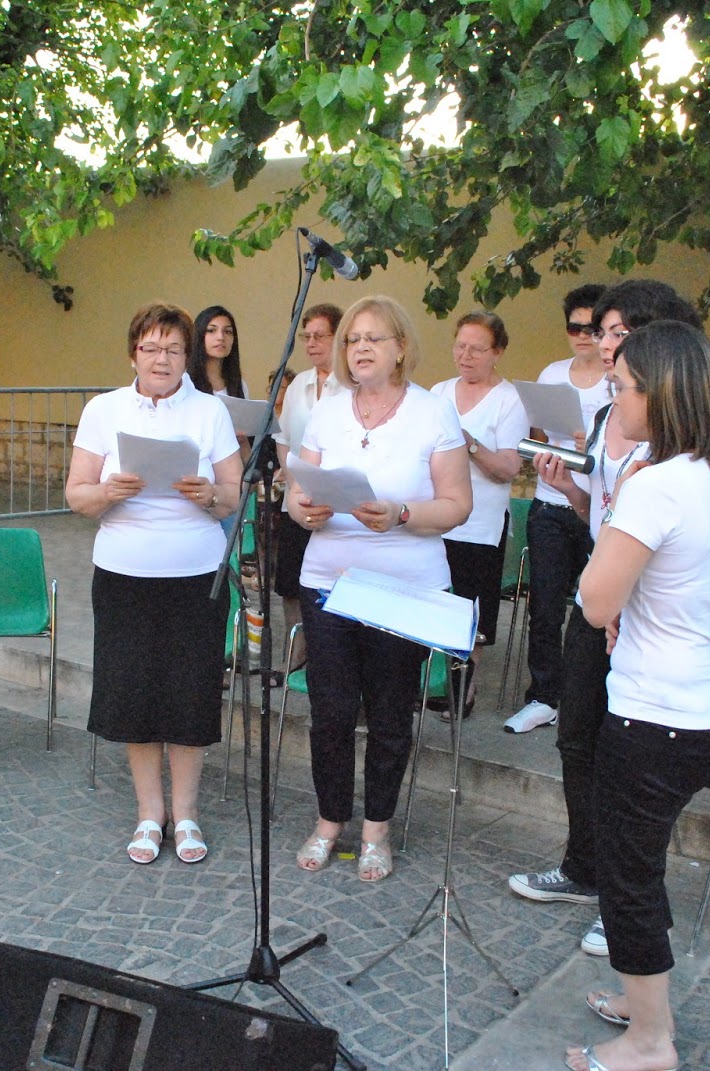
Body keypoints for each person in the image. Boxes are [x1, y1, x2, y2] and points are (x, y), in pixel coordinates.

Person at [566, 319, 710, 1071]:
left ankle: (649, 1041)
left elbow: (593, 601)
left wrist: (626, 593)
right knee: (640, 863)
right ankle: (645, 1002)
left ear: (662, 393)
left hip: (655, 717)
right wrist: (654, 602)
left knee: (628, 876)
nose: (613, 400)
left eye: (620, 387)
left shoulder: (654, 483)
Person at [508, 280, 702, 963]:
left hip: (647, 610)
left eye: (620, 332)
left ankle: (634, 904)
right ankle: (584, 867)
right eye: (604, 331)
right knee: (577, 736)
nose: (607, 343)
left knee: (633, 762)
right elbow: (606, 508)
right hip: (602, 595)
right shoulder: (607, 413)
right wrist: (567, 485)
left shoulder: (678, 431)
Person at [286, 295, 471, 882]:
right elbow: (297, 492)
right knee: (330, 713)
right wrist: (304, 510)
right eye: (352, 339)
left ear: (401, 348)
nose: (360, 348)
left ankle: (377, 829)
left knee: (390, 715)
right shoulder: (327, 410)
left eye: (374, 338)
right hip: (329, 582)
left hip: (402, 588)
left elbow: (457, 505)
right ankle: (329, 821)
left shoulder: (433, 412)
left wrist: (400, 514)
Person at [65, 303, 241, 864]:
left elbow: (234, 494)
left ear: (187, 355)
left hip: (196, 576)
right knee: (134, 692)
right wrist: (107, 492)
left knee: (190, 691)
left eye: (173, 349)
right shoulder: (103, 409)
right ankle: (149, 813)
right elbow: (76, 493)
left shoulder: (209, 411)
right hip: (124, 574)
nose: (161, 359)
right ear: (133, 353)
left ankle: (185, 814)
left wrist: (209, 495)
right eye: (150, 348)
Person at [509, 283, 608, 734]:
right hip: (550, 500)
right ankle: (543, 696)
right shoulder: (552, 373)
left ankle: (591, 698)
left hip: (598, 506)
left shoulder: (618, 377)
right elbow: (539, 435)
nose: (583, 336)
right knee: (545, 606)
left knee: (595, 608)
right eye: (574, 328)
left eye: (592, 328)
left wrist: (595, 443)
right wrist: (546, 438)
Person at [430, 311, 529, 714]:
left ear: (497, 352)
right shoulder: (438, 392)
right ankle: (430, 681)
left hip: (479, 524)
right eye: (460, 346)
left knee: (471, 610)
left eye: (477, 349)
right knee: (432, 601)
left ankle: (462, 691)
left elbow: (508, 468)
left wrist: (468, 443)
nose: (465, 356)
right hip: (436, 517)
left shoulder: (509, 400)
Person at [273, 302, 344, 673]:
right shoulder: (299, 383)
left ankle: (326, 652)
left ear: (339, 337)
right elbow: (283, 439)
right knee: (290, 581)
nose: (311, 343)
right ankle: (295, 650)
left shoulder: (352, 384)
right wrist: (296, 483)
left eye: (320, 336)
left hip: (336, 504)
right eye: (307, 337)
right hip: (297, 498)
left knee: (330, 580)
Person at [187, 305, 247, 397]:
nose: (221, 337)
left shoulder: (240, 385)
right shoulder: (184, 382)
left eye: (227, 332)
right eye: (211, 330)